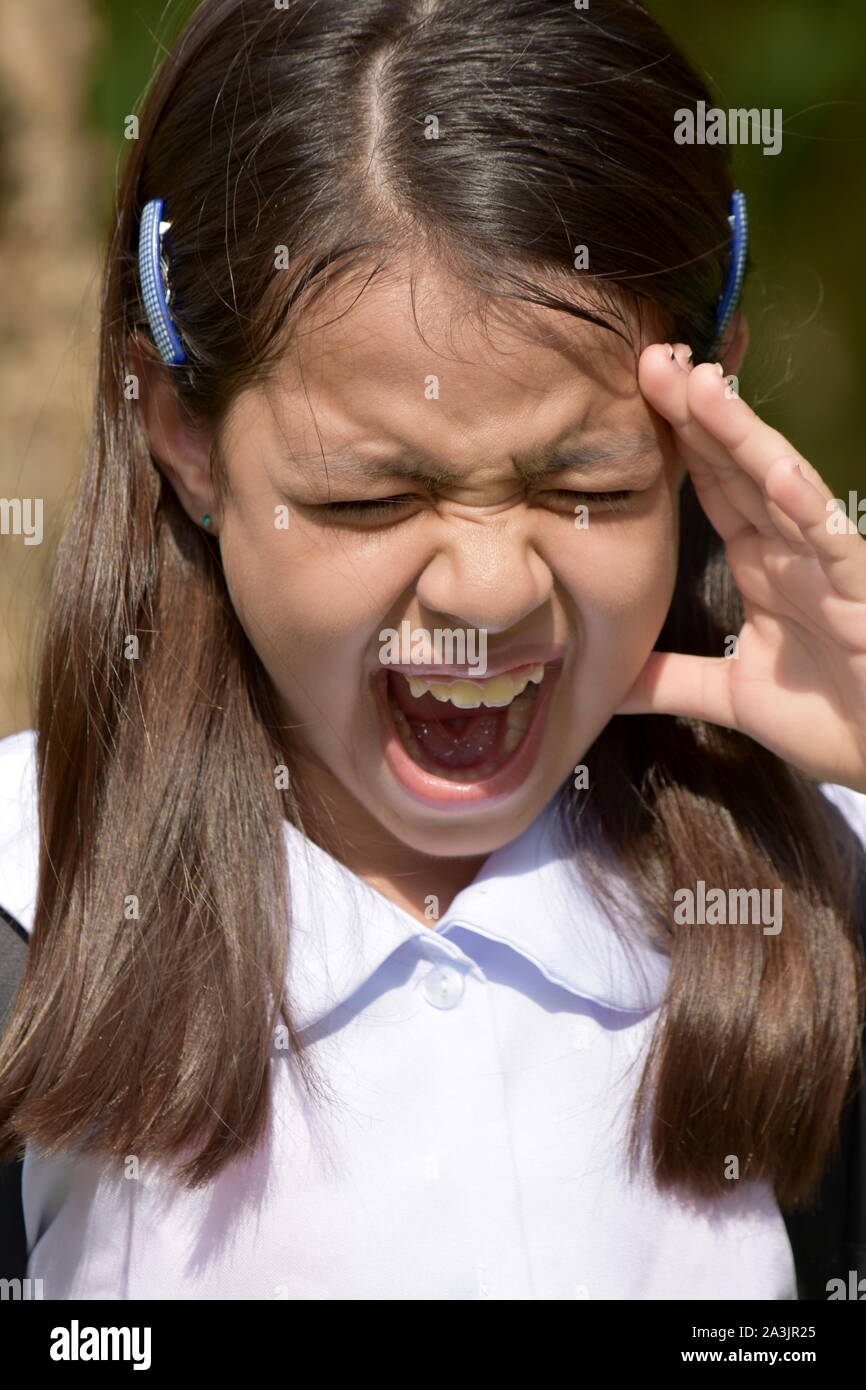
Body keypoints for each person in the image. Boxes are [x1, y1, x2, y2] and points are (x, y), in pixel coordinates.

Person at [0, 0, 864, 1300]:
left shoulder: (825, 889)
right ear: (181, 435)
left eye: (588, 485)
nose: (486, 584)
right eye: (367, 498)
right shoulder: (27, 917)